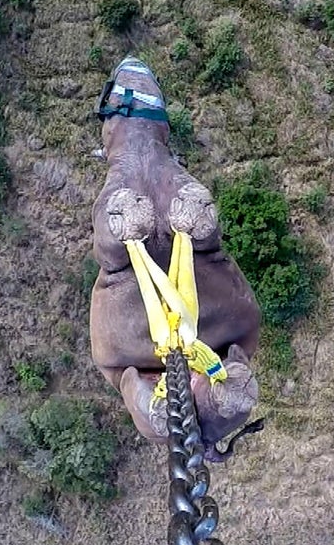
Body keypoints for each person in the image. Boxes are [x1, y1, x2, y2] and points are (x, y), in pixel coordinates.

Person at [88, 57, 262, 461]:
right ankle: (217, 402)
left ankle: (163, 411)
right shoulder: (168, 170)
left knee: (117, 247)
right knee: (193, 227)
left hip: (137, 341)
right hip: (215, 328)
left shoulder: (120, 175)